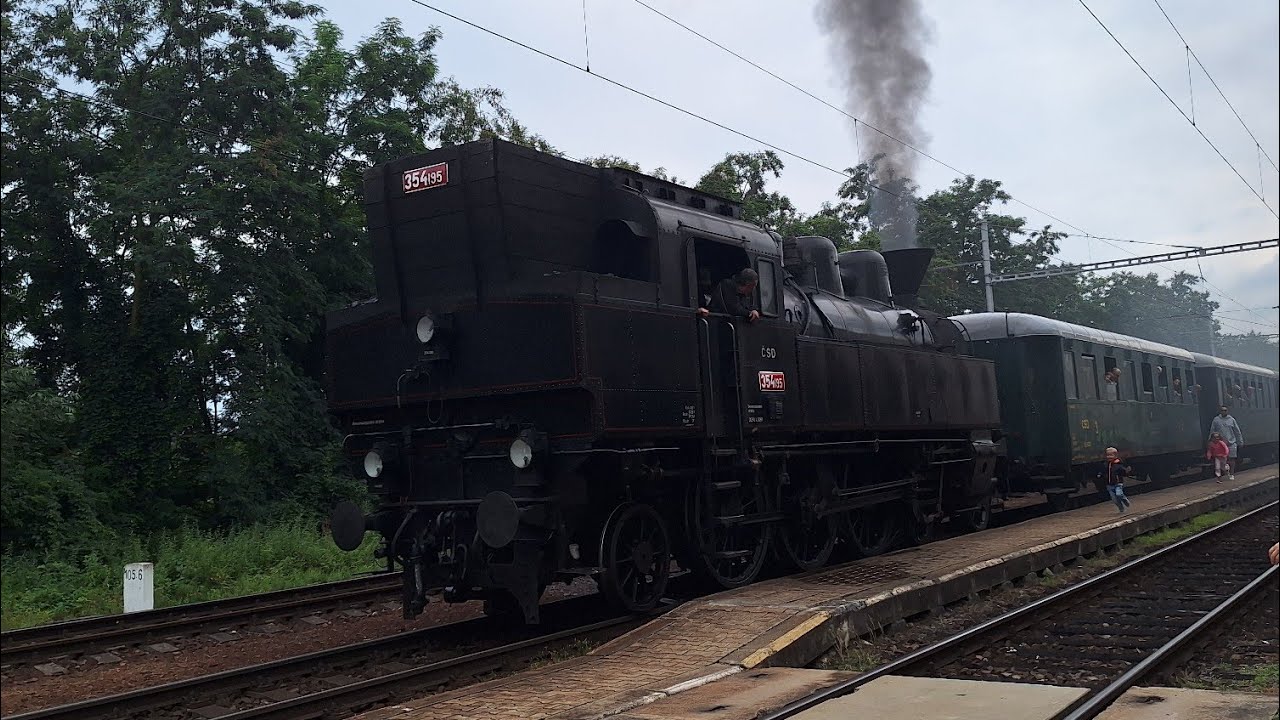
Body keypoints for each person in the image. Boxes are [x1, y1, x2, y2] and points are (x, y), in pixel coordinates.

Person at [1209, 406, 1243, 481]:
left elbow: (1237, 431)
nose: (1224, 411)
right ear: (1220, 411)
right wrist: (1210, 441)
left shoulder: (1231, 420)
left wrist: (1240, 441)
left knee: (1232, 459)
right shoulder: (1216, 420)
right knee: (1222, 461)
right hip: (1220, 444)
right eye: (1222, 410)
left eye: (1225, 410)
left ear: (1227, 411)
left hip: (1231, 443)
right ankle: (1225, 473)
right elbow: (1212, 430)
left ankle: (1232, 474)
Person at [1097, 446, 1132, 514]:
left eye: (1111, 455)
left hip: (1118, 483)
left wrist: (1127, 471)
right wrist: (1100, 474)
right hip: (1109, 485)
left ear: (1115, 455)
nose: (1109, 457)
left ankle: (1124, 500)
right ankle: (1121, 508)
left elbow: (1123, 471)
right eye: (1108, 455)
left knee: (1119, 494)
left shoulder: (1118, 464)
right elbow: (1103, 470)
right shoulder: (1106, 464)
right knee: (1114, 499)